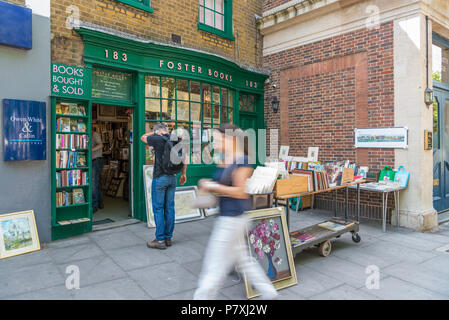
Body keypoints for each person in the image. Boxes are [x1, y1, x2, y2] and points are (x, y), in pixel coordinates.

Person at [193, 124, 278, 300]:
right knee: (245, 261)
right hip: (232, 218)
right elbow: (224, 186)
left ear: (229, 139)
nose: (214, 142)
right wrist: (209, 186)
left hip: (231, 220)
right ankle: (270, 294)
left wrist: (213, 186)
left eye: (217, 139)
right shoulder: (225, 159)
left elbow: (241, 192)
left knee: (213, 268)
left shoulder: (243, 160)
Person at [141, 123, 187, 250]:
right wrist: (183, 174)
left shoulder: (157, 138)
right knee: (170, 208)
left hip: (160, 178)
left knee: (158, 208)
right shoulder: (175, 139)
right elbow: (184, 157)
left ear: (157, 131)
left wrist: (154, 133)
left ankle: (159, 239)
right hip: (173, 178)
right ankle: (168, 237)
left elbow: (143, 137)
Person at [92, 129, 104, 213]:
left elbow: (100, 145)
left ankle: (94, 205)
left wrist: (90, 150)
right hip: (94, 160)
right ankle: (100, 202)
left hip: (96, 160)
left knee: (93, 183)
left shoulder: (94, 134)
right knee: (96, 183)